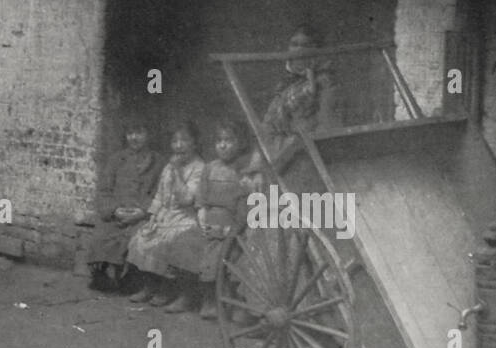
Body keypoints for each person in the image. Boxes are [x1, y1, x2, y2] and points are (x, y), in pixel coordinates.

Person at [127, 120, 206, 308]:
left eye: (184, 141)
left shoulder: (200, 167)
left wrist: (178, 171)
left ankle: (170, 289)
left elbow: (187, 198)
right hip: (166, 215)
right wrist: (153, 216)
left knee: (170, 240)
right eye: (175, 142)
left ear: (194, 143)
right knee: (143, 236)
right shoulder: (169, 167)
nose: (178, 146)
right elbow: (160, 196)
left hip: (189, 217)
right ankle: (150, 285)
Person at [248, 26, 344, 176]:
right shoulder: (286, 84)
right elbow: (268, 124)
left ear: (317, 51)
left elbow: (327, 127)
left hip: (308, 159)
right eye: (294, 44)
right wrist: (259, 166)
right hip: (281, 156)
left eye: (305, 45)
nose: (298, 50)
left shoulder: (326, 83)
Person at [87, 119, 163, 292]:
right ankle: (103, 274)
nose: (134, 138)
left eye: (139, 133)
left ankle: (130, 277)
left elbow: (160, 193)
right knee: (103, 233)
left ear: (148, 135)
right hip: (118, 213)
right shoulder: (116, 160)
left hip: (142, 215)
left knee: (139, 236)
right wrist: (115, 210)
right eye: (130, 133)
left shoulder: (158, 162)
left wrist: (142, 211)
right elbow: (104, 190)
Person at [191, 120, 251, 320]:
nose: (223, 145)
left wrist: (234, 228)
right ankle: (209, 300)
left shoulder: (243, 169)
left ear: (240, 143)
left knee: (229, 257)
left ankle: (233, 303)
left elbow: (245, 204)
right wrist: (201, 212)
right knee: (206, 256)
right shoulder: (209, 168)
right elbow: (201, 196)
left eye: (229, 140)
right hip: (210, 220)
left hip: (233, 223)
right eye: (219, 141)